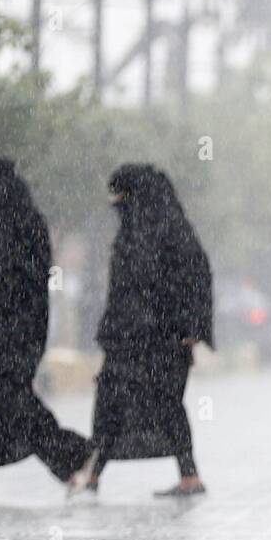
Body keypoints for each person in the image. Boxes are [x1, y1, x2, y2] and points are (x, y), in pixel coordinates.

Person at [0, 148, 92, 501]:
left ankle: (75, 455)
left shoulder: (25, 222)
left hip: (14, 331)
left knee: (10, 399)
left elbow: (29, 275)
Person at [69, 164, 214, 498]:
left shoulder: (173, 231)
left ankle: (189, 477)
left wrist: (192, 327)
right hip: (126, 337)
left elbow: (198, 277)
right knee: (111, 403)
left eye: (123, 196)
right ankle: (93, 474)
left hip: (164, 338)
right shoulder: (132, 231)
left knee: (165, 404)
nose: (118, 204)